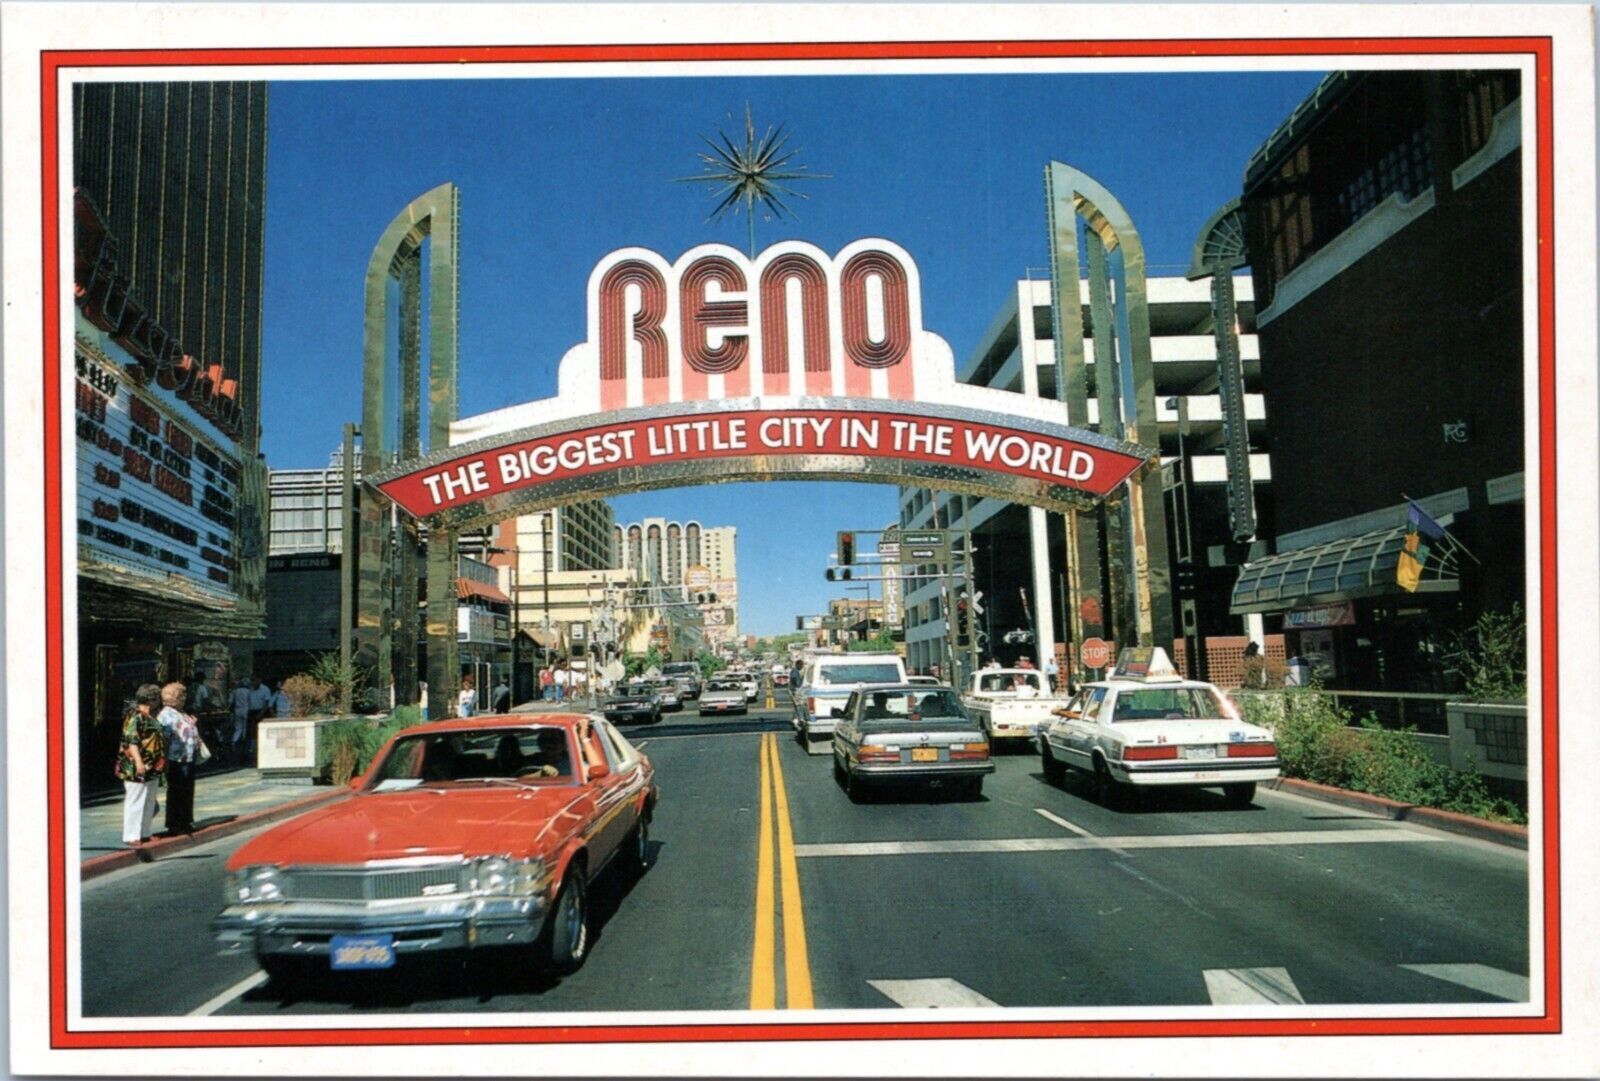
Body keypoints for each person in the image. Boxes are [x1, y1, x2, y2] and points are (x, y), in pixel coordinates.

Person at [116, 684, 166, 855]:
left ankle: (145, 832)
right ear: (151, 699)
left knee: (149, 799)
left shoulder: (149, 716)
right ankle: (131, 835)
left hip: (152, 765)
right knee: (136, 799)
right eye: (157, 698)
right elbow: (132, 742)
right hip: (137, 765)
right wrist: (138, 762)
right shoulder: (136, 717)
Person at [157, 682, 200, 835]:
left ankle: (186, 820)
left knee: (187, 790)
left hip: (187, 756)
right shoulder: (166, 714)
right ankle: (175, 823)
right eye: (182, 695)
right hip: (175, 758)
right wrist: (165, 759)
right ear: (174, 697)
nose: (184, 698)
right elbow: (165, 737)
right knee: (176, 790)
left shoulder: (181, 712)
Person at [228, 678, 252, 764]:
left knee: (238, 728)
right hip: (245, 709)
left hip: (237, 710)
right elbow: (250, 701)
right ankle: (243, 740)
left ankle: (234, 741)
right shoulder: (248, 691)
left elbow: (231, 701)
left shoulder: (236, 691)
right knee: (245, 727)